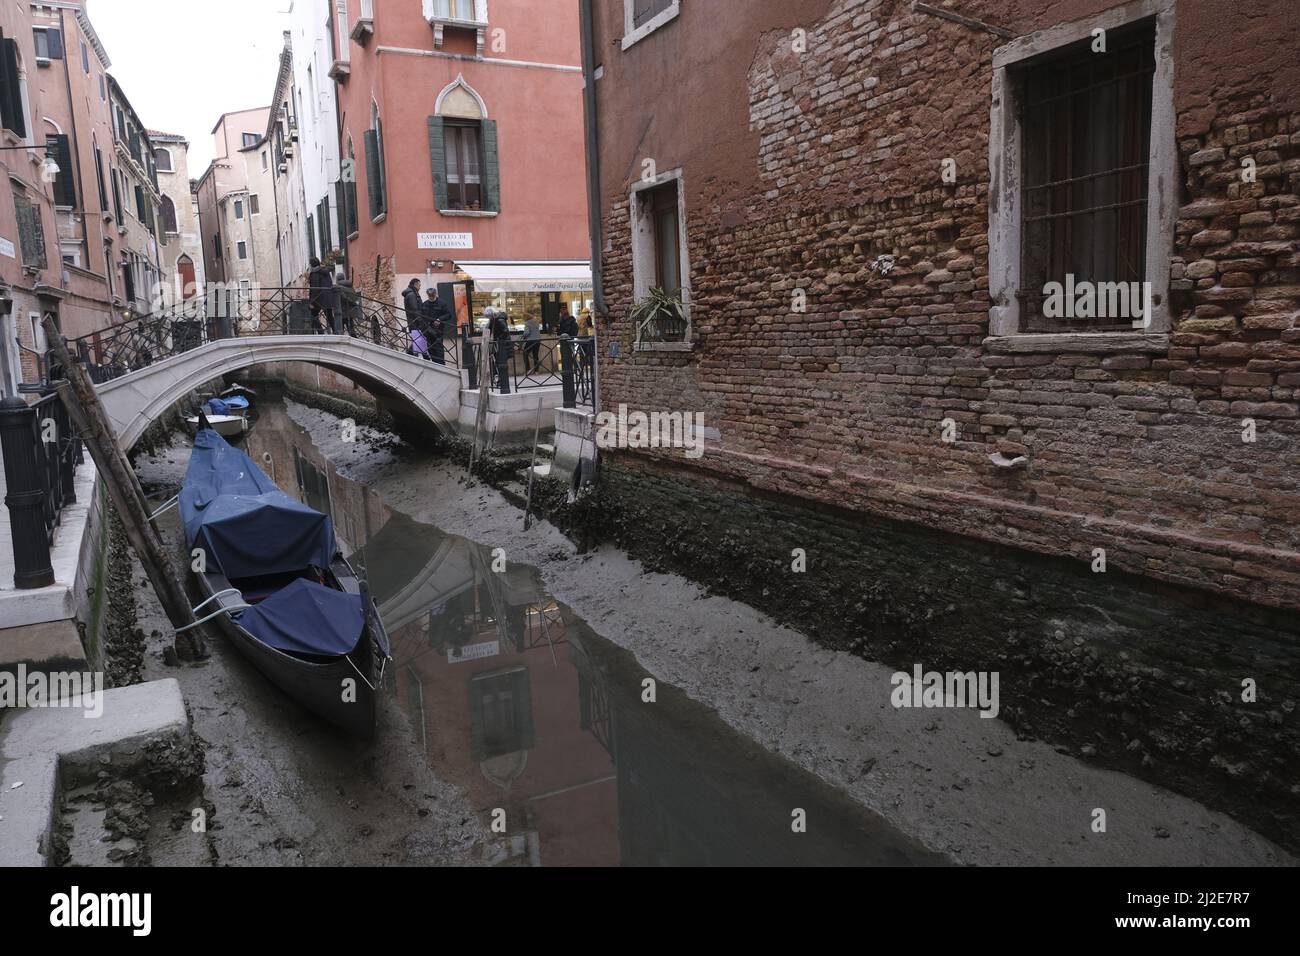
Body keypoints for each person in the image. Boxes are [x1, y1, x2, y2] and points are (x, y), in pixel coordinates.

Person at [422, 288, 453, 365]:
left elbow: (449, 315)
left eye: (432, 295)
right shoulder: (425, 304)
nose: (431, 297)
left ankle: (441, 366)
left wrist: (440, 319)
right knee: (430, 349)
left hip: (438, 331)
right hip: (428, 331)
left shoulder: (442, 303)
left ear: (435, 294)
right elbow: (422, 316)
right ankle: (434, 365)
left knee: (439, 349)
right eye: (430, 296)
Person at [307, 257, 335, 333]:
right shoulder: (326, 271)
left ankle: (320, 332)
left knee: (313, 315)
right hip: (328, 297)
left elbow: (314, 288)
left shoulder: (314, 273)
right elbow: (330, 283)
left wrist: (312, 302)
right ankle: (336, 331)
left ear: (311, 264)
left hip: (319, 298)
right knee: (329, 316)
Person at [490, 308, 514, 393]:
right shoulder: (497, 319)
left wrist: (499, 338)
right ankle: (500, 380)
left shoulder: (499, 320)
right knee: (498, 362)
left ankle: (503, 382)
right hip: (501, 344)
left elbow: (505, 331)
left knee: (500, 362)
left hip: (503, 345)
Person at [402, 279, 423, 354]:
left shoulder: (412, 294)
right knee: (418, 341)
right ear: (415, 284)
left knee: (418, 341)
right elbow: (415, 310)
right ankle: (410, 355)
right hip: (415, 322)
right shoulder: (412, 295)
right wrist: (421, 321)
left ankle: (413, 355)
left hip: (414, 322)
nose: (420, 287)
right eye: (419, 285)